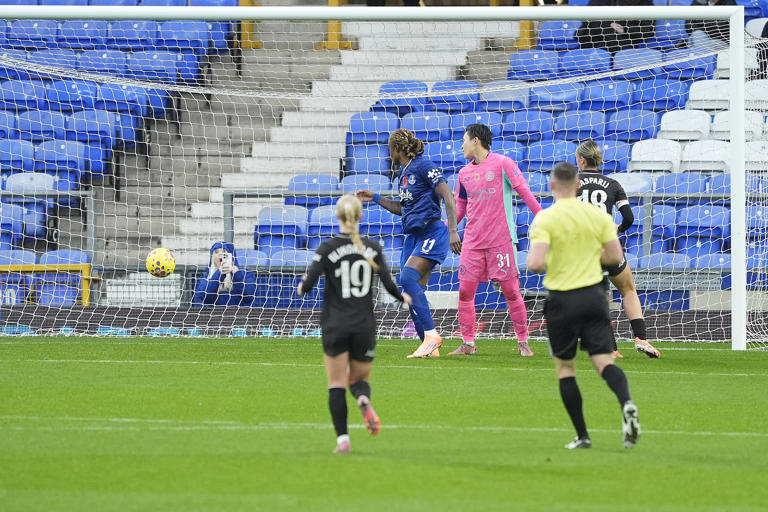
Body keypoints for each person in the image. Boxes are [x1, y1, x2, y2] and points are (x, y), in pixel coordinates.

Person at [527, 162, 641, 450]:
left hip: (562, 299)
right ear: (578, 185)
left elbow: (535, 264)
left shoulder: (545, 219)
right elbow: (615, 257)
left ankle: (583, 436)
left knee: (566, 369)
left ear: (552, 185)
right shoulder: (596, 216)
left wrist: (561, 255)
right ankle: (627, 403)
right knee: (604, 362)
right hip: (594, 296)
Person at [297, 195, 411, 454]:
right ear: (361, 217)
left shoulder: (326, 248)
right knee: (359, 379)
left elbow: (310, 283)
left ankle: (343, 441)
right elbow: (388, 282)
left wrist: (302, 286)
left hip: (335, 325)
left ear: (337, 217)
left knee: (337, 382)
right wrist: (401, 298)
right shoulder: (372, 247)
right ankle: (362, 397)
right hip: (363, 325)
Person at [357, 128, 460, 359]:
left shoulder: (423, 165)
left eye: (389, 148)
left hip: (432, 231)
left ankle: (432, 336)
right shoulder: (403, 173)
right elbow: (403, 209)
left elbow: (448, 195)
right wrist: (374, 198)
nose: (388, 152)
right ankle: (428, 344)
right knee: (411, 290)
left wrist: (453, 230)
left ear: (396, 148)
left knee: (407, 279)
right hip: (412, 237)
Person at [447, 124, 542, 357]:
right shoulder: (463, 173)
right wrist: (449, 229)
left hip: (501, 240)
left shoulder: (503, 164)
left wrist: (544, 216)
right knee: (465, 292)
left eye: (464, 140)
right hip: (472, 242)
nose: (461, 145)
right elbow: (460, 206)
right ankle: (468, 343)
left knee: (511, 291)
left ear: (476, 141)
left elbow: (525, 192)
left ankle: (523, 341)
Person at [575, 140, 660, 359]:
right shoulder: (612, 184)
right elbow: (630, 218)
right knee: (628, 289)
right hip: (609, 246)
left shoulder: (571, 182)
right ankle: (641, 337)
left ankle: (611, 348)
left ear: (582, 160)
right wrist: (618, 229)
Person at [575, 0, 655, 54]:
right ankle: (626, 56)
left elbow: (648, 31)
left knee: (607, 37)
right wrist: (609, 24)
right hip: (595, 37)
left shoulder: (645, 3)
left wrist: (625, 29)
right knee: (604, 28)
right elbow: (586, 18)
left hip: (624, 38)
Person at [191, 241, 257, 306]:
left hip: (240, 314)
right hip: (215, 315)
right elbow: (205, 298)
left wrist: (236, 274)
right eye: (216, 252)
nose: (220, 254)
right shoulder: (207, 276)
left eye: (224, 251)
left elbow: (248, 297)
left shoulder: (246, 274)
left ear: (231, 255)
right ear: (212, 258)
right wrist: (219, 274)